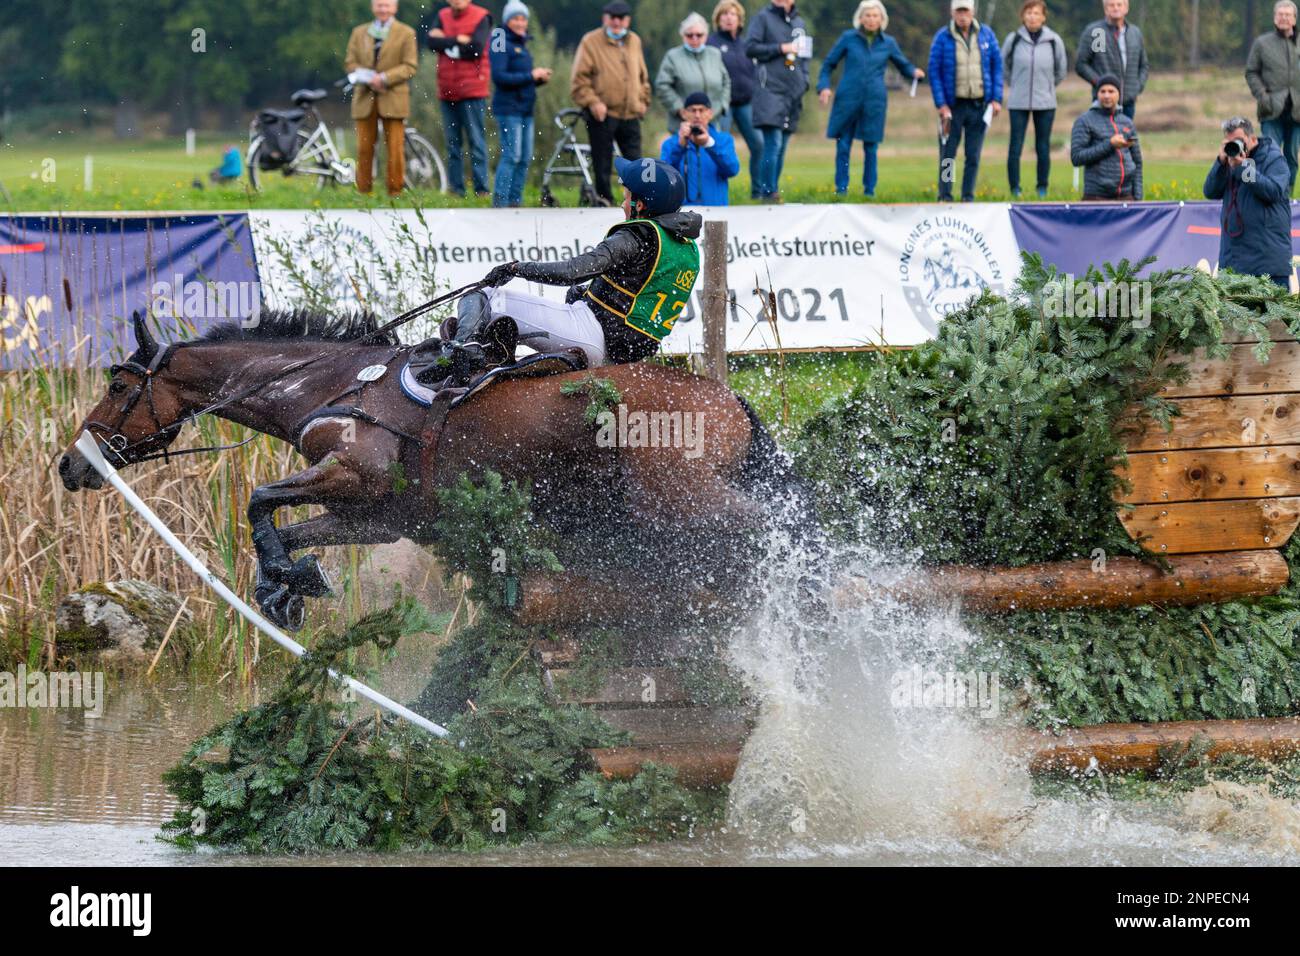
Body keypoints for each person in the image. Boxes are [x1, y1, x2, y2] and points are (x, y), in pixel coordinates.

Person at [448, 157, 699, 372]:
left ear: (640, 205)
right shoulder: (685, 246)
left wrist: (515, 268)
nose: (623, 203)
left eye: (626, 197)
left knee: (485, 297)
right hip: (626, 352)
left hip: (592, 335)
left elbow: (571, 272)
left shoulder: (635, 236)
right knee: (575, 294)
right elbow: (636, 294)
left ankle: (459, 358)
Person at [817, 0, 923, 199]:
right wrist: (823, 87)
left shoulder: (888, 43)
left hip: (874, 102)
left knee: (871, 148)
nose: (872, 19)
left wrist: (913, 72)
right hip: (847, 100)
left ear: (882, 19)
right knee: (843, 146)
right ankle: (841, 190)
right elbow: (828, 64)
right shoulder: (848, 38)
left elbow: (903, 65)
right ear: (861, 18)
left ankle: (869, 191)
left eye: (875, 16)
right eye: (868, 15)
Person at [570, 1, 652, 205]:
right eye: (612, 17)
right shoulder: (590, 41)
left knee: (636, 164)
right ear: (604, 18)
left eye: (621, 17)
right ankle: (603, 202)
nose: (616, 21)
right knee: (602, 163)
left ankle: (637, 205)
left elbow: (643, 77)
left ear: (628, 20)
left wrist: (643, 101)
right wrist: (593, 102)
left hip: (631, 113)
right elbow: (579, 82)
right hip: (602, 113)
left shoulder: (634, 40)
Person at [1204, 116, 1294, 288]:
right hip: (1234, 262)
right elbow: (1210, 191)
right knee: (1232, 315)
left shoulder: (1274, 158)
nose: (1235, 146)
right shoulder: (1229, 162)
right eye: (1229, 142)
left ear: (1253, 139)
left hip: (1268, 266)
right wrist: (1220, 162)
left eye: (1239, 141)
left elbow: (1273, 191)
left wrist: (1243, 167)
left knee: (1276, 316)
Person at [928, 0, 1002, 203]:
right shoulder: (942, 37)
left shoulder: (987, 35)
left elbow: (997, 66)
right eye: (959, 11)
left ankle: (968, 196)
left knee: (973, 155)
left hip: (979, 105)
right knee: (948, 156)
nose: (962, 16)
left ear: (973, 12)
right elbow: (934, 72)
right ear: (952, 13)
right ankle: (945, 195)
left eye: (966, 11)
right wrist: (941, 104)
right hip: (953, 107)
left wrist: (996, 98)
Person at [346, 0, 419, 196]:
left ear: (394, 8)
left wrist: (385, 78)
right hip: (365, 97)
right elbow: (350, 63)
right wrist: (367, 77)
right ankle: (363, 191)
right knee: (363, 148)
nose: (383, 9)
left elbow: (410, 66)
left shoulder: (406, 32)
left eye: (387, 5)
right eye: (379, 5)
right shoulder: (359, 32)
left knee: (395, 148)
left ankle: (395, 191)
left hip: (393, 96)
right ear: (373, 7)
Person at [426, 0, 494, 197]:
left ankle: (481, 189)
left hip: (472, 89)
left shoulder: (482, 16)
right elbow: (431, 42)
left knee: (476, 140)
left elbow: (476, 48)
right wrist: (458, 40)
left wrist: (445, 41)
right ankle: (456, 189)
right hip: (447, 89)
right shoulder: (442, 15)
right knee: (452, 143)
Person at [747, 0, 811, 203]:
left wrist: (805, 80)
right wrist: (780, 48)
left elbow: (805, 56)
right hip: (770, 89)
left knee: (782, 145)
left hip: (793, 92)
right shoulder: (762, 18)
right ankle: (767, 192)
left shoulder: (800, 22)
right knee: (772, 142)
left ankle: (773, 190)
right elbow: (751, 48)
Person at [489, 0, 551, 207]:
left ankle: (515, 202)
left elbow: (519, 78)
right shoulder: (499, 40)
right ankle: (501, 202)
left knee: (524, 157)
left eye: (523, 18)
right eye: (515, 18)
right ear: (507, 20)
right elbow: (499, 77)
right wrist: (531, 75)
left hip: (525, 108)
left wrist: (537, 79)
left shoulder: (520, 43)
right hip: (509, 109)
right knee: (512, 156)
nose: (520, 22)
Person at [1002, 0, 1066, 198]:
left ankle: (1042, 187)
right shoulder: (1013, 40)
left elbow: (1060, 70)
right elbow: (1004, 67)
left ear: (1043, 17)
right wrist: (1016, 85)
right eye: (1028, 13)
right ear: (1023, 16)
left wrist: (1047, 87)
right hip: (1018, 101)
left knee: (1043, 146)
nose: (1032, 17)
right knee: (1015, 146)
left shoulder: (1054, 40)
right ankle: (1015, 188)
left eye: (1036, 13)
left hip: (1045, 102)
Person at [708, 0, 763, 198]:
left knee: (759, 145)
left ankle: (759, 191)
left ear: (739, 19)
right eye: (724, 14)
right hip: (722, 105)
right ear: (718, 19)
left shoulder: (747, 44)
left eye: (733, 14)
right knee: (718, 146)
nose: (729, 17)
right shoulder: (711, 43)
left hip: (746, 103)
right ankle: (717, 192)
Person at [1245, 0, 1300, 195]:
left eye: (1288, 14)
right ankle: (1266, 196)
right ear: (1275, 18)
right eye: (1280, 14)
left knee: (1292, 158)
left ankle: (1286, 198)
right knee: (1269, 155)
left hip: (1297, 113)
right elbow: (1251, 72)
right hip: (1271, 111)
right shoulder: (1262, 43)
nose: (1284, 18)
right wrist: (1263, 96)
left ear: (1294, 18)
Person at [656, 13, 731, 134]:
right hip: (683, 126)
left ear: (706, 36)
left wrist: (722, 106)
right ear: (683, 36)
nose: (694, 38)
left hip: (713, 123)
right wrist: (680, 109)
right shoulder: (673, 56)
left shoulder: (715, 54)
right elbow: (662, 86)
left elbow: (726, 82)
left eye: (699, 35)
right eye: (690, 35)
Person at [659, 92, 740, 204]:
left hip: (716, 213)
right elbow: (663, 177)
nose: (697, 115)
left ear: (710, 114)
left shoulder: (723, 140)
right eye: (692, 110)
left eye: (701, 110)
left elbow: (732, 170)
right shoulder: (671, 143)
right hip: (682, 214)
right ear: (684, 113)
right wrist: (680, 146)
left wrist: (709, 144)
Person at [1070, 74, 1141, 200]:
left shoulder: (1128, 123)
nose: (1107, 95)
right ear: (1097, 94)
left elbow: (1137, 161)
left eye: (1111, 91)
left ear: (1119, 94)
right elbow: (1076, 158)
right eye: (1103, 91)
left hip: (1127, 196)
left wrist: (1138, 197)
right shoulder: (1084, 121)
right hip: (1097, 197)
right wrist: (1110, 144)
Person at [1075, 0, 1147, 119]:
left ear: (1126, 8)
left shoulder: (1135, 33)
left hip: (1128, 101)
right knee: (1103, 136)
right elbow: (1081, 64)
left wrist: (1137, 87)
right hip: (1104, 101)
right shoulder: (1096, 32)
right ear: (1105, 9)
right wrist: (1100, 83)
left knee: (1125, 137)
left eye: (1119, 5)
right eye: (1111, 5)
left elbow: (1144, 65)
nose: (1115, 8)